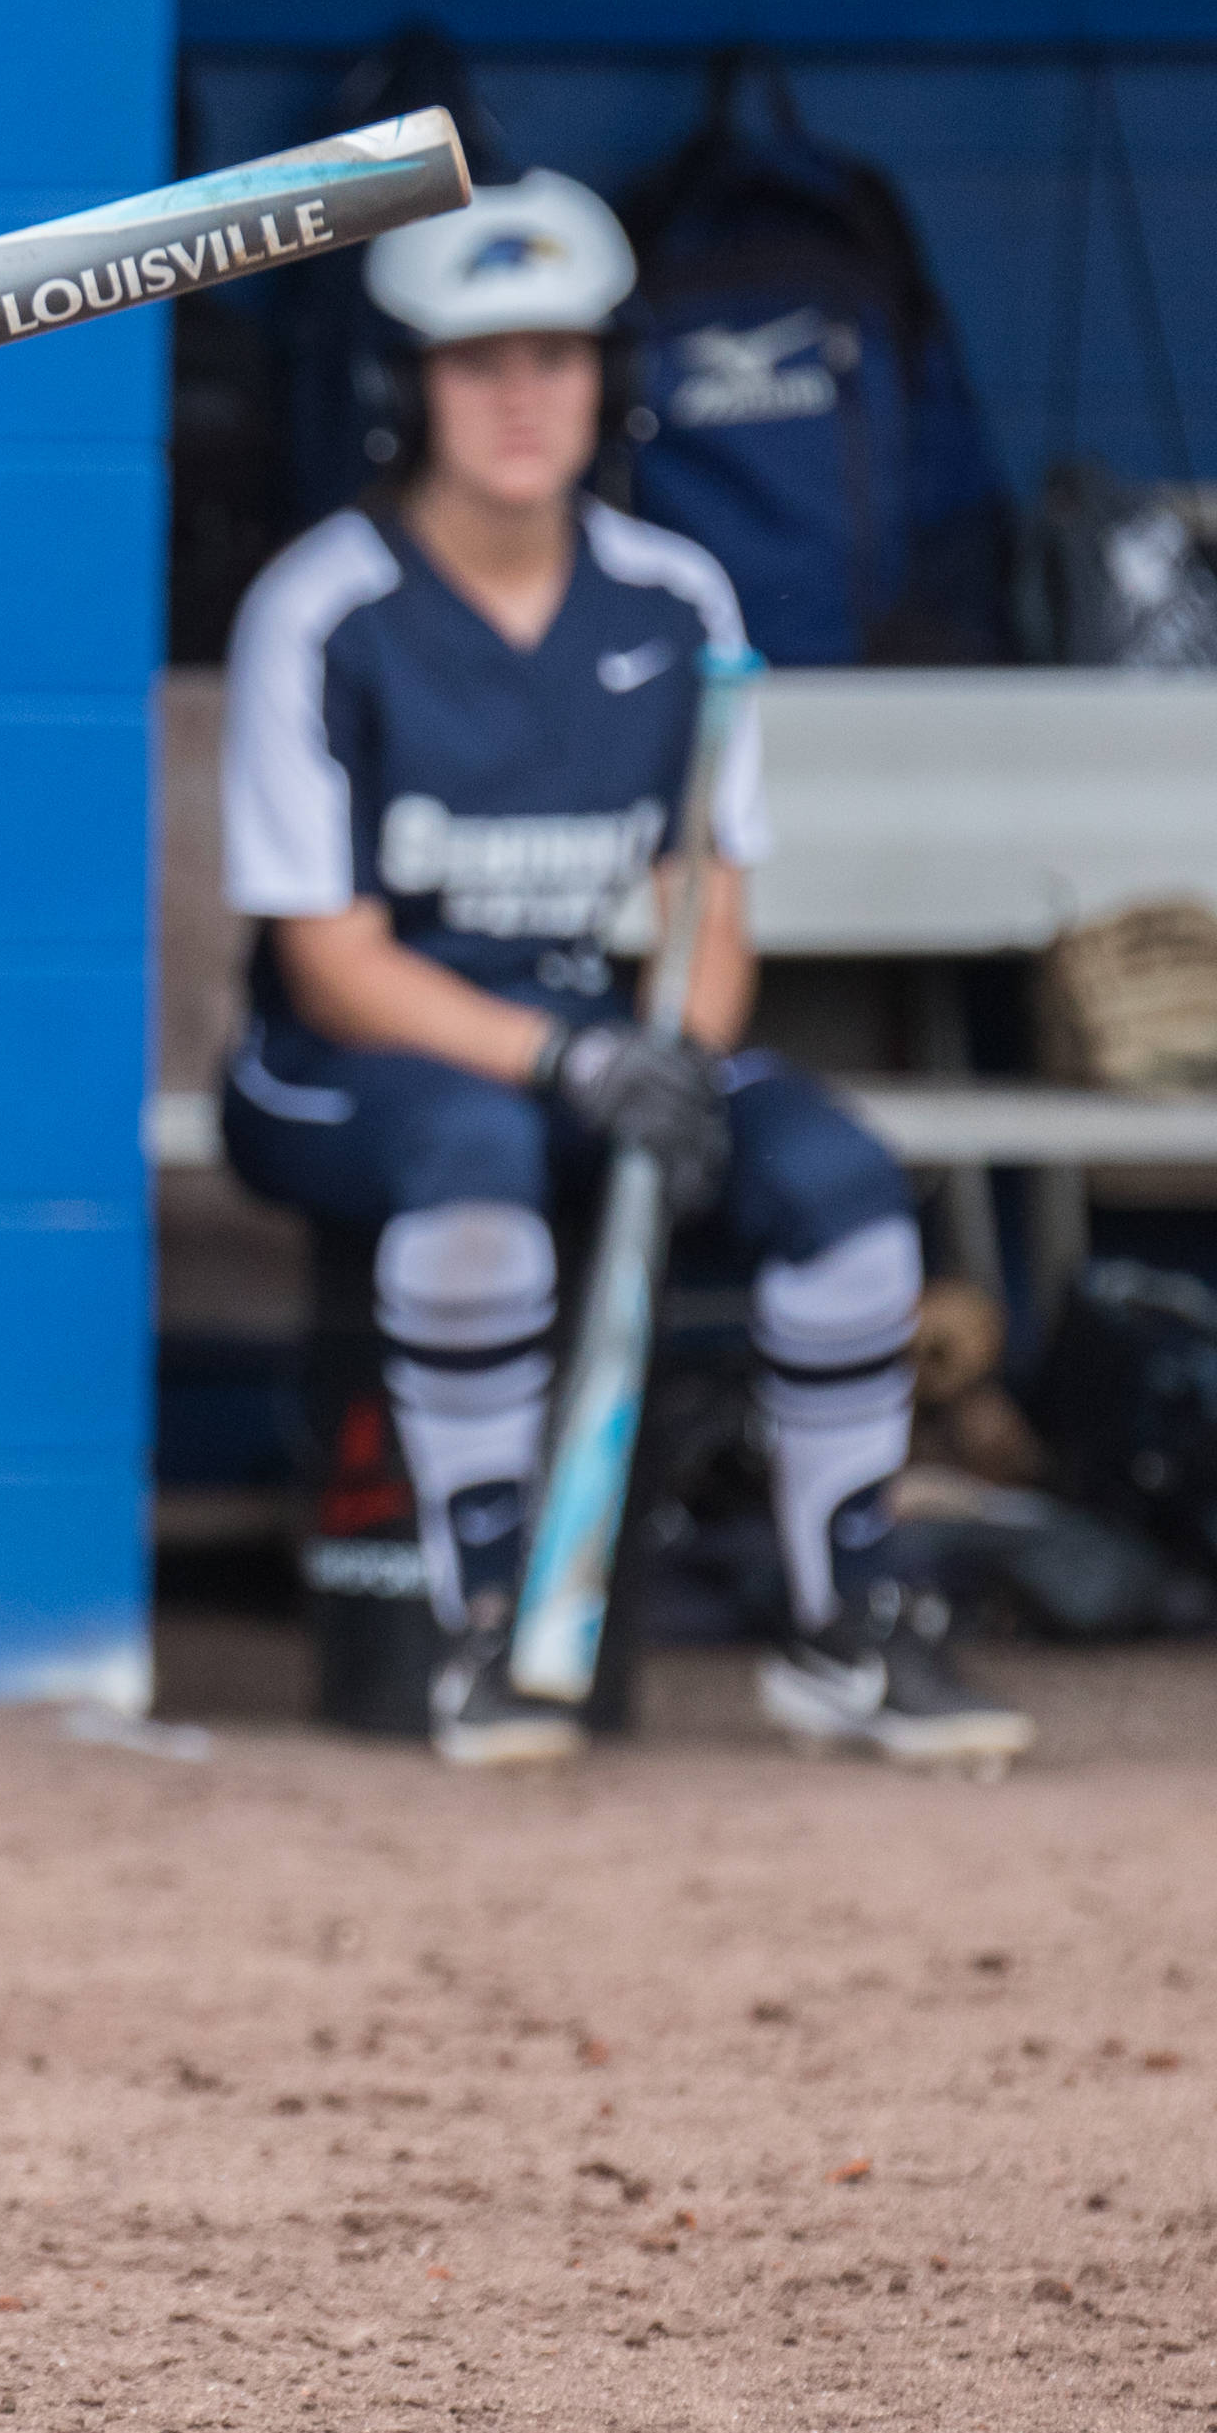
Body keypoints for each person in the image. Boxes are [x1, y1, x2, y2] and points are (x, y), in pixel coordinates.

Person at [216, 173, 1029, 1776]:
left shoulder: (676, 597)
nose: (523, 401)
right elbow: (330, 965)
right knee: (476, 1150)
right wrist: (563, 1063)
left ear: (611, 380)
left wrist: (680, 1052)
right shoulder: (326, 608)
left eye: (558, 359)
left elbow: (710, 903)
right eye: (477, 362)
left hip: (602, 1046)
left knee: (840, 1182)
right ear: (409, 386)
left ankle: (847, 1620)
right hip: (356, 1070)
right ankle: (486, 1628)